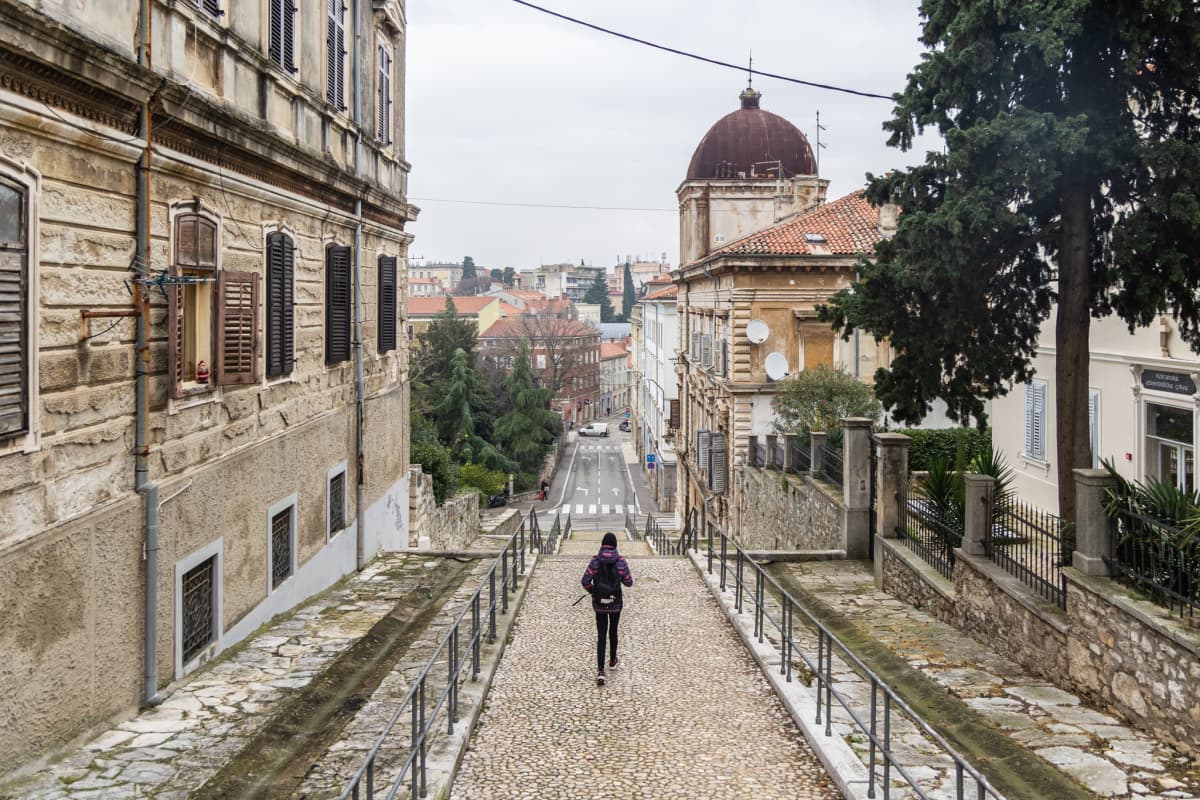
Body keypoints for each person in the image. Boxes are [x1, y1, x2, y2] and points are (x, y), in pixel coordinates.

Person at [581, 532, 633, 686]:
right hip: (615, 603)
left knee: (601, 635)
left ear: (602, 545)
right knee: (613, 631)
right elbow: (629, 582)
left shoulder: (595, 562)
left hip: (599, 604)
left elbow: (585, 581)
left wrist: (594, 592)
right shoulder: (621, 562)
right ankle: (612, 660)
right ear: (615, 545)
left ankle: (601, 671)